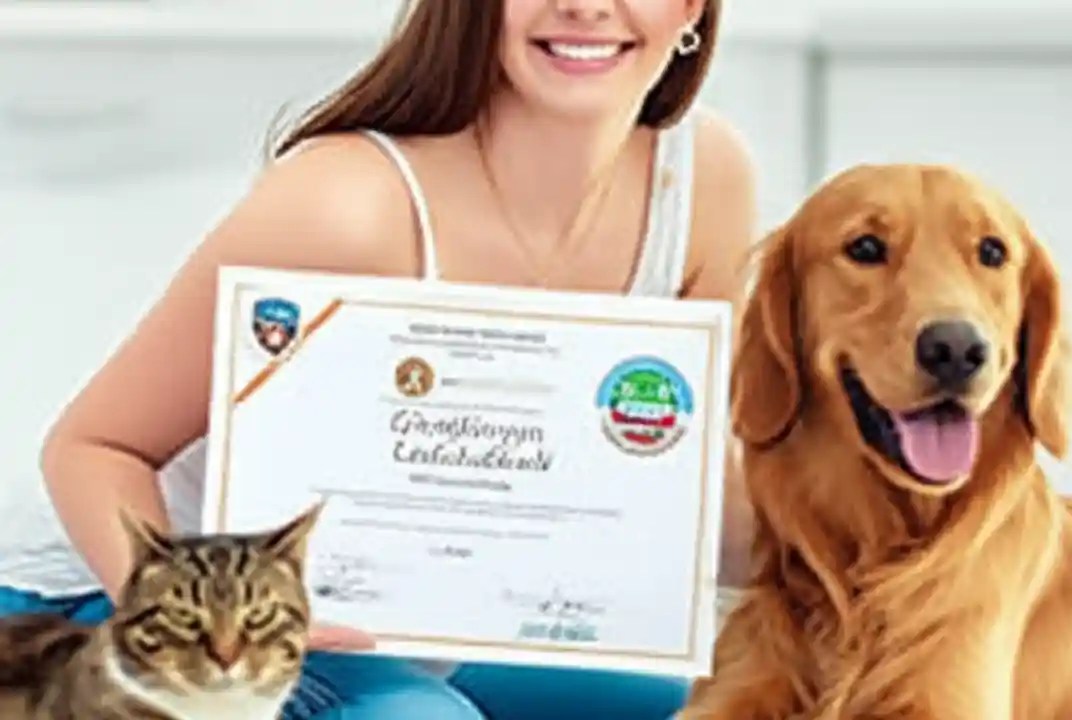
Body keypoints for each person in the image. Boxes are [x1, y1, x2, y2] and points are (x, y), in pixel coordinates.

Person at [0, 0, 759, 717]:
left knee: (687, 699)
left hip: (415, 607)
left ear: (692, 6)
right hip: (137, 604)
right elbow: (92, 448)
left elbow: (683, 483)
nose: (587, 5)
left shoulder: (703, 179)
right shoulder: (347, 203)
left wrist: (859, 549)